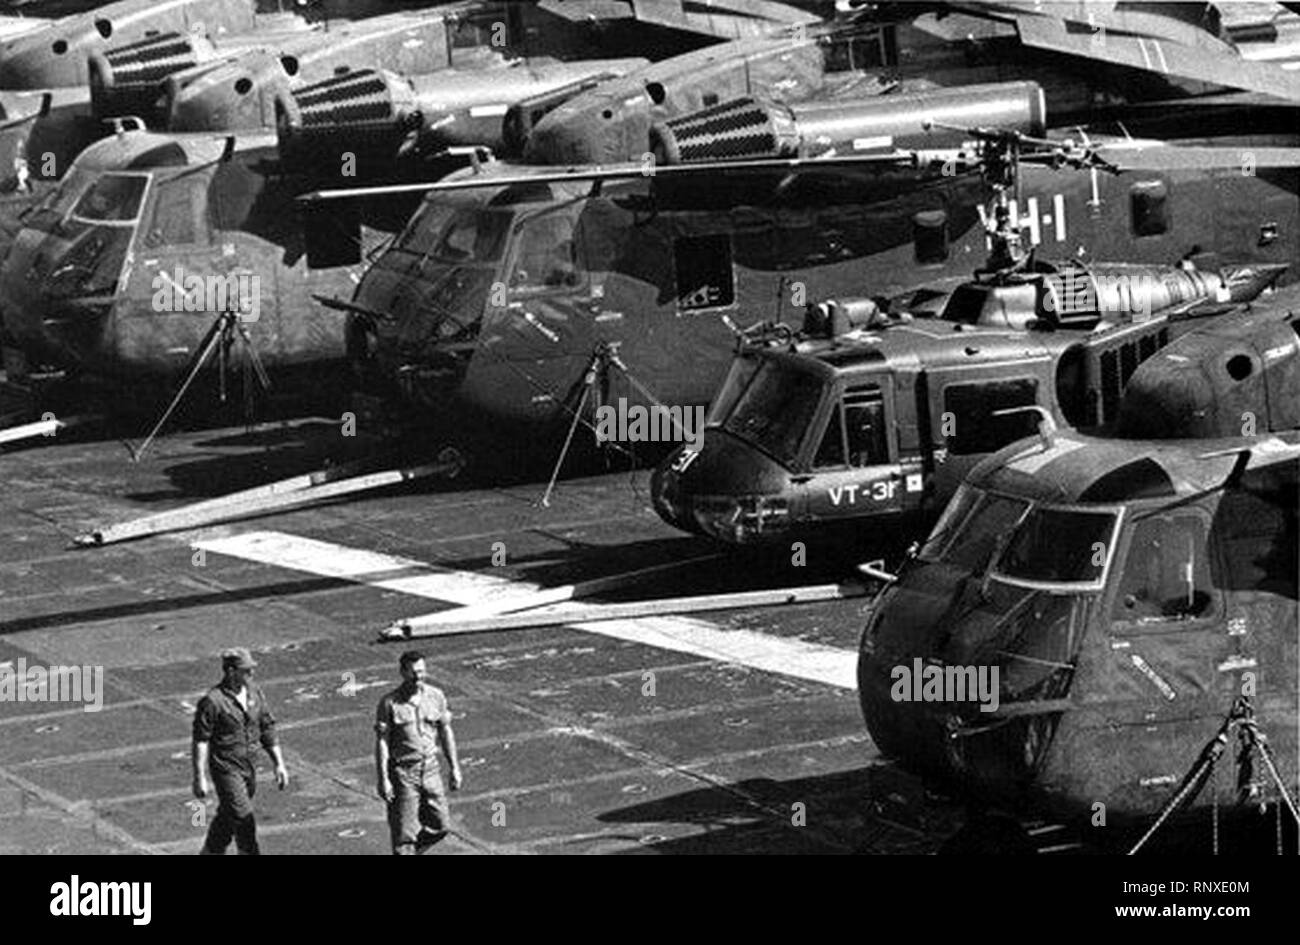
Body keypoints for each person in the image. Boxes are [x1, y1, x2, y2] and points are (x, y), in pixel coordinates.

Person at [191, 647, 289, 855]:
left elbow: (267, 727)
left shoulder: (254, 692)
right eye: (246, 670)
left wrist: (279, 764)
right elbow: (201, 740)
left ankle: (210, 852)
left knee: (228, 816)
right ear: (231, 671)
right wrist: (199, 777)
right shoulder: (213, 701)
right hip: (226, 769)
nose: (252, 673)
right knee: (244, 819)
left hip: (250, 767)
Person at [375, 650, 463, 854]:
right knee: (404, 834)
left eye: (422, 671)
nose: (418, 677)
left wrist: (455, 768)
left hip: (430, 769)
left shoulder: (436, 696)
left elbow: (445, 732)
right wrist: (383, 779)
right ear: (403, 672)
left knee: (441, 825)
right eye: (413, 672)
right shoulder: (389, 703)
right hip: (403, 773)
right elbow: (382, 742)